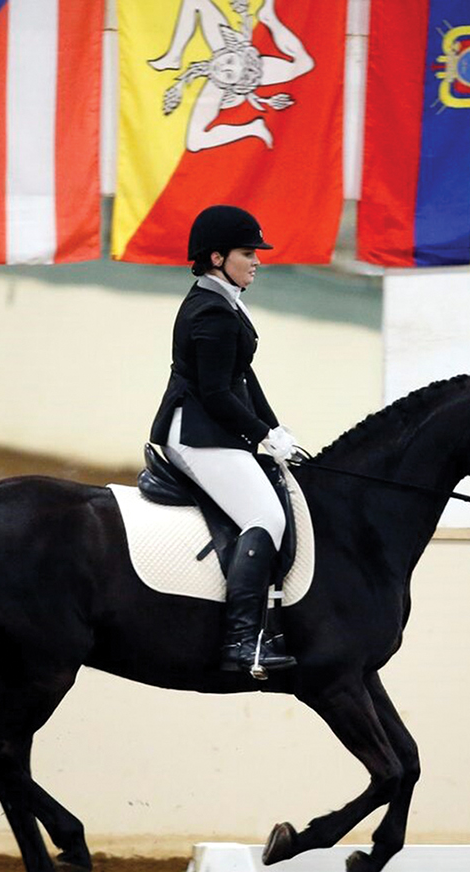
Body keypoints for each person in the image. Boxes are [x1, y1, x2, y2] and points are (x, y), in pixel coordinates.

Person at [149, 204, 300, 675]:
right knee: (266, 516)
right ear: (217, 257)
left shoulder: (224, 301)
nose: (256, 260)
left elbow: (243, 379)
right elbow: (215, 393)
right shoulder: (211, 311)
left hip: (212, 429)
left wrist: (276, 431)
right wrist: (259, 434)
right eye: (247, 252)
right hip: (196, 434)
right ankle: (241, 642)